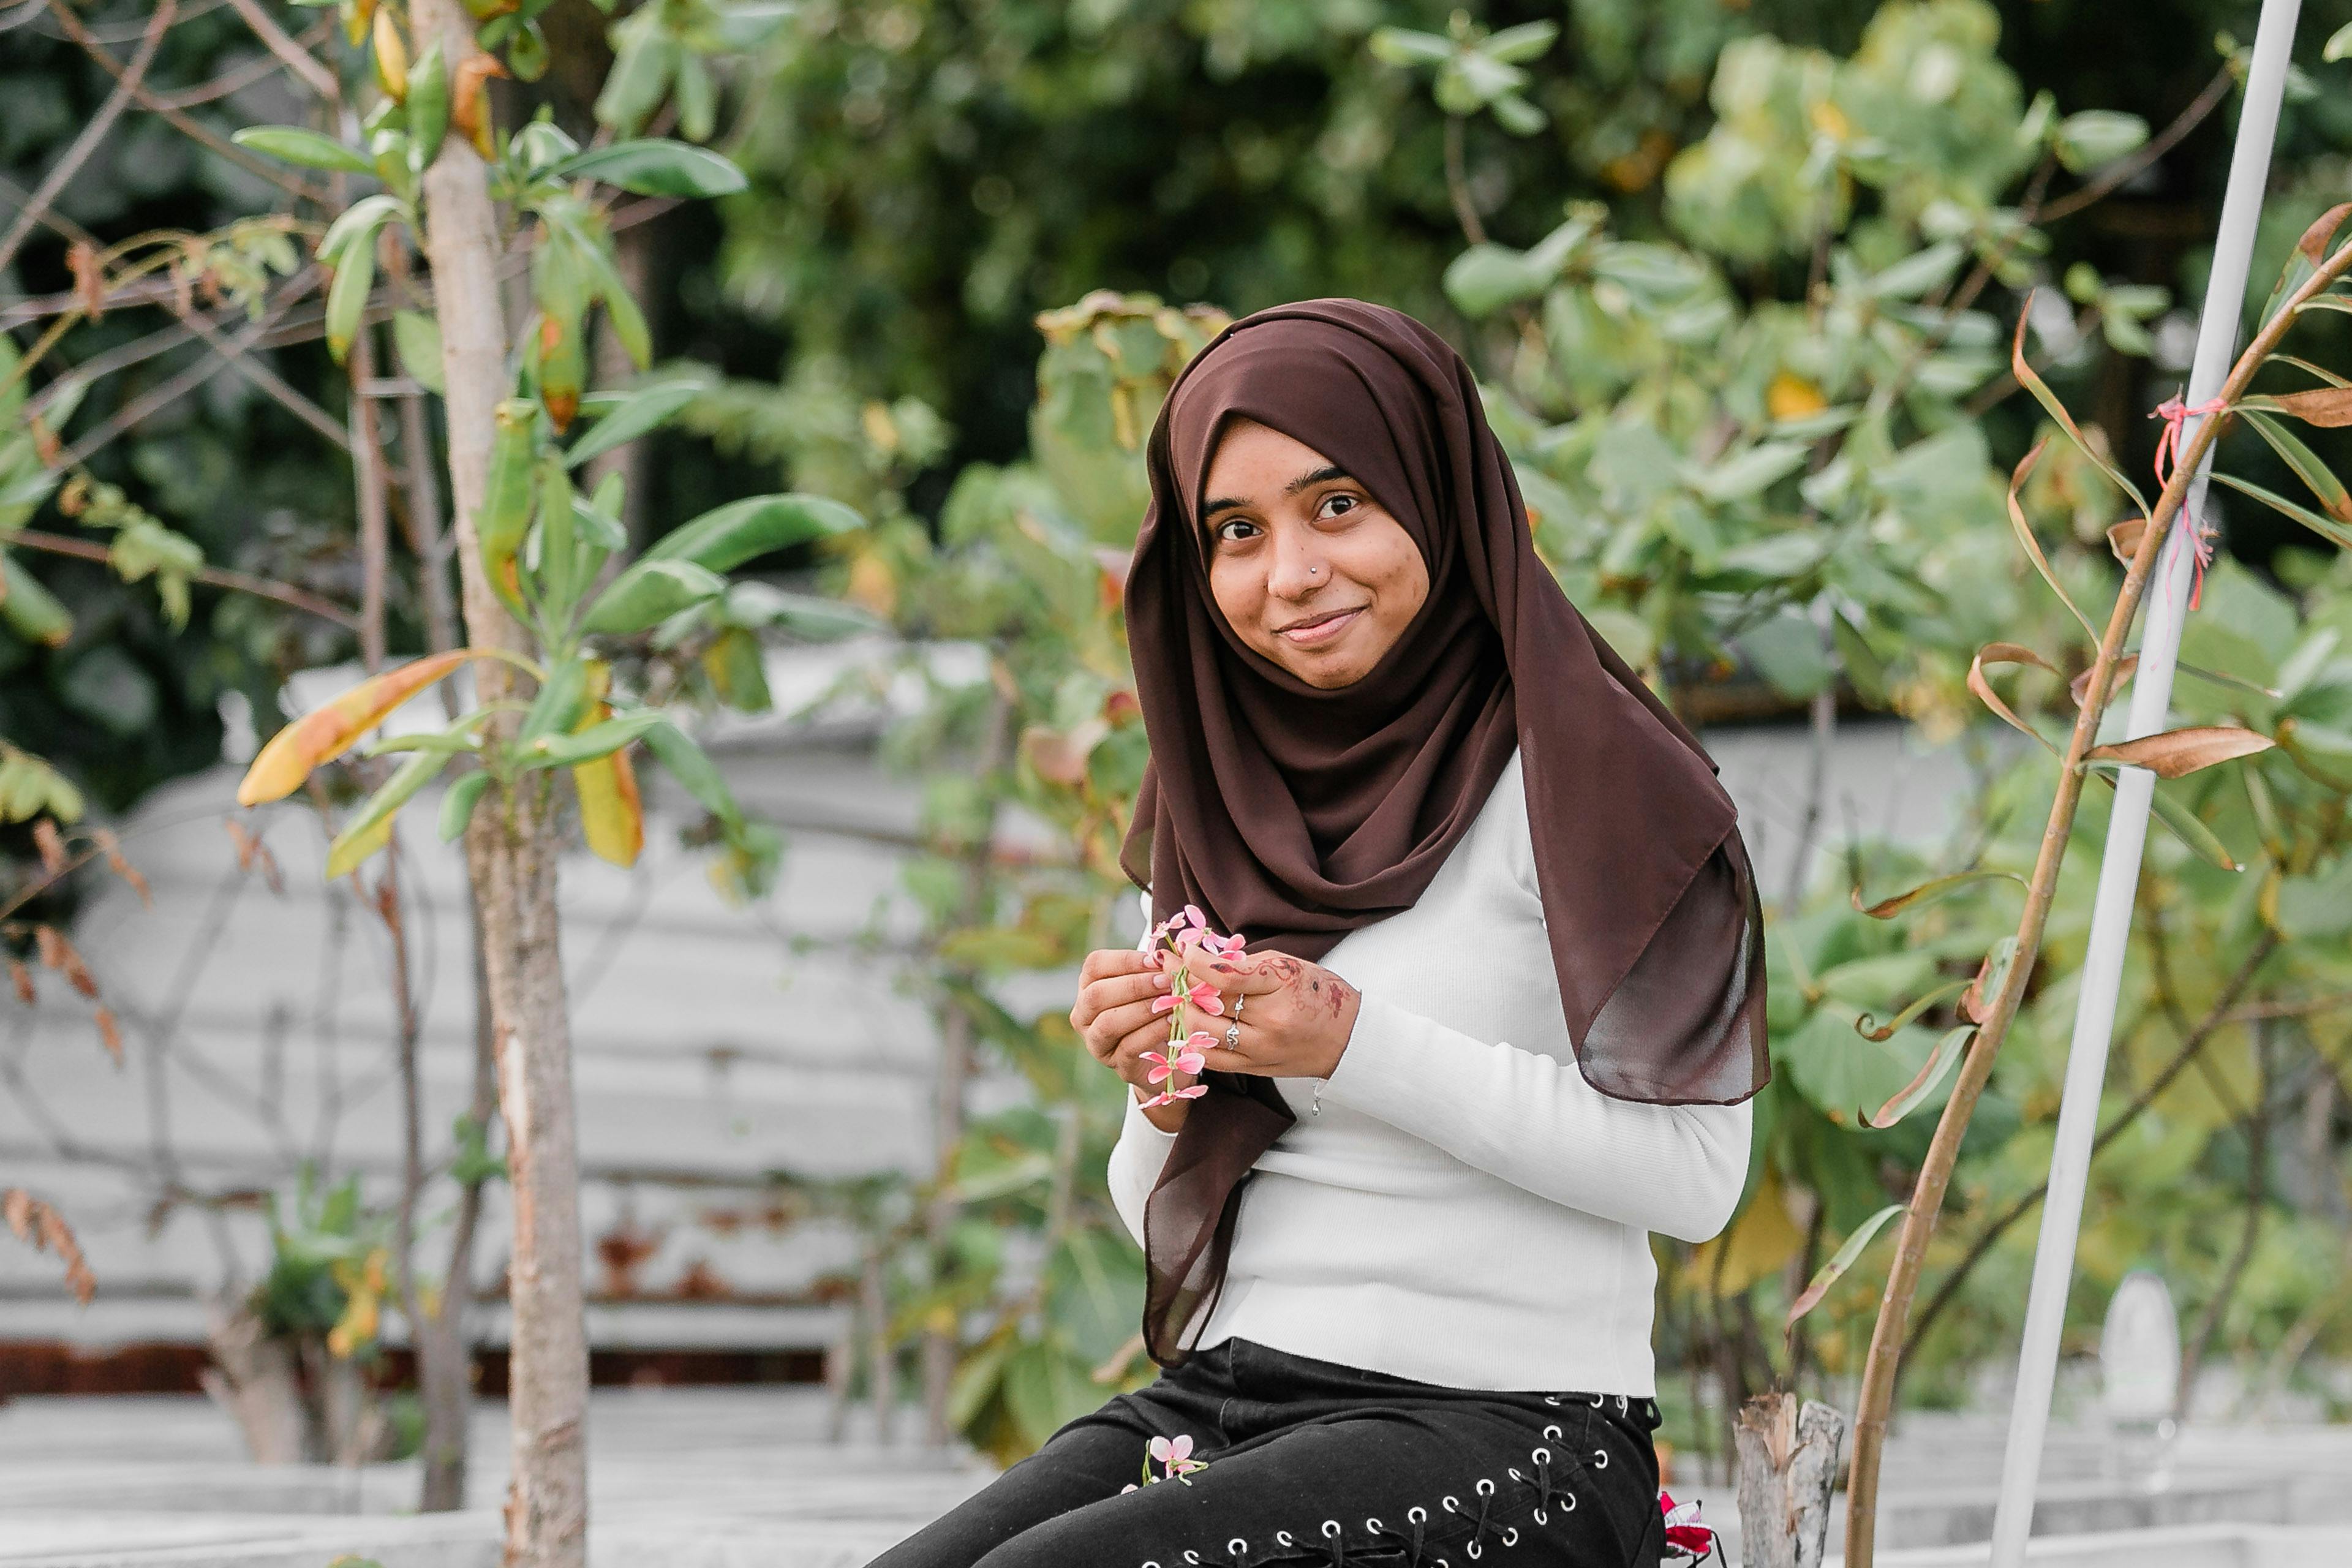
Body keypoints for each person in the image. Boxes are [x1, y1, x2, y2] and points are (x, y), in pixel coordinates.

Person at [872, 300, 1768, 1568]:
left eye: (1336, 504)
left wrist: (1353, 1043)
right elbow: (1151, 1206)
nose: (1289, 574)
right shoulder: (1223, 802)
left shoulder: (1591, 776)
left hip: (1514, 1424)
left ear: (1435, 495)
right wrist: (1162, 1092)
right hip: (1229, 1400)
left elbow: (1696, 1176)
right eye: (1237, 531)